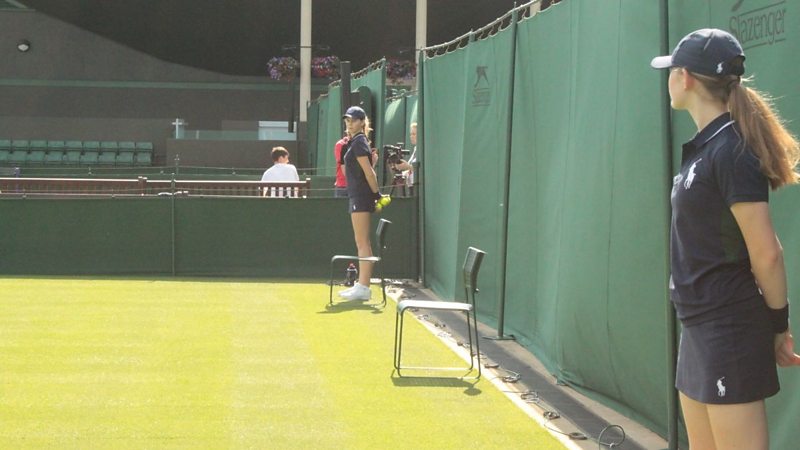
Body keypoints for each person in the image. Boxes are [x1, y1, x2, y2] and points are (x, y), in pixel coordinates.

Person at [651, 28, 800, 449]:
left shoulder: (731, 150)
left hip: (729, 328)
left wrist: (778, 326)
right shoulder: (706, 148)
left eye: (670, 71)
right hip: (697, 327)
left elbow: (766, 253)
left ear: (686, 78)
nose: (668, 80)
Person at [338, 106, 382, 301]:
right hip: (357, 195)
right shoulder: (355, 142)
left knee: (362, 241)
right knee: (361, 241)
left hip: (362, 197)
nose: (349, 123)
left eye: (353, 120)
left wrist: (377, 194)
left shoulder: (359, 142)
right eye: (347, 120)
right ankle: (363, 285)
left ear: (362, 122)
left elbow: (369, 172)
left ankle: (363, 287)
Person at [390, 122, 418, 196]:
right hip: (411, 186)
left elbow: (421, 170)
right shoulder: (416, 149)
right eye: (411, 134)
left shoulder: (423, 150)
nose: (411, 136)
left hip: (417, 187)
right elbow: (411, 169)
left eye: (414, 134)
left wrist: (407, 166)